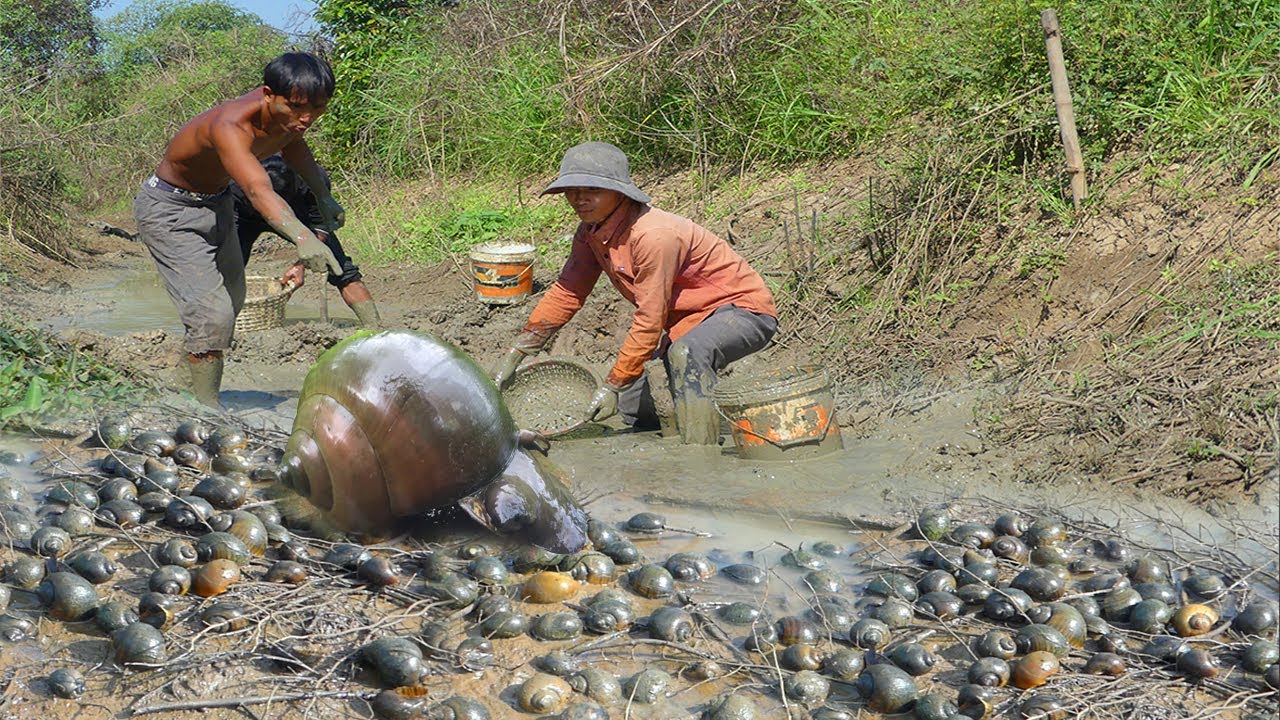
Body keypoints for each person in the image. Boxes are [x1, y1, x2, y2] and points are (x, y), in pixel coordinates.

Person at [492, 141, 778, 445]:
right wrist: (518, 353)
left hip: (742, 312)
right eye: (572, 190)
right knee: (632, 406)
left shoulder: (653, 235)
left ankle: (700, 452)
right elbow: (568, 291)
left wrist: (612, 383)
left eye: (592, 190)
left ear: (619, 193)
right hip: (687, 324)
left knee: (686, 354)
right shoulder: (590, 233)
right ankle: (707, 412)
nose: (579, 199)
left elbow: (650, 319)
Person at [132, 52, 344, 408]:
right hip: (170, 210)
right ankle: (207, 411)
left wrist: (324, 197)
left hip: (215, 204)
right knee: (211, 313)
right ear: (267, 93)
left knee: (232, 300)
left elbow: (295, 147)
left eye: (318, 109)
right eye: (296, 107)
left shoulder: (287, 120)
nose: (306, 118)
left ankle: (184, 387)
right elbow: (258, 189)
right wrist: (304, 237)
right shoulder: (230, 125)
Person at [230, 154, 381, 327]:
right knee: (226, 272)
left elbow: (320, 226)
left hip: (295, 218)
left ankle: (375, 329)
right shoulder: (234, 183)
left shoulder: (313, 181)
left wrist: (302, 264)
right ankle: (215, 331)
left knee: (342, 270)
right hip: (244, 218)